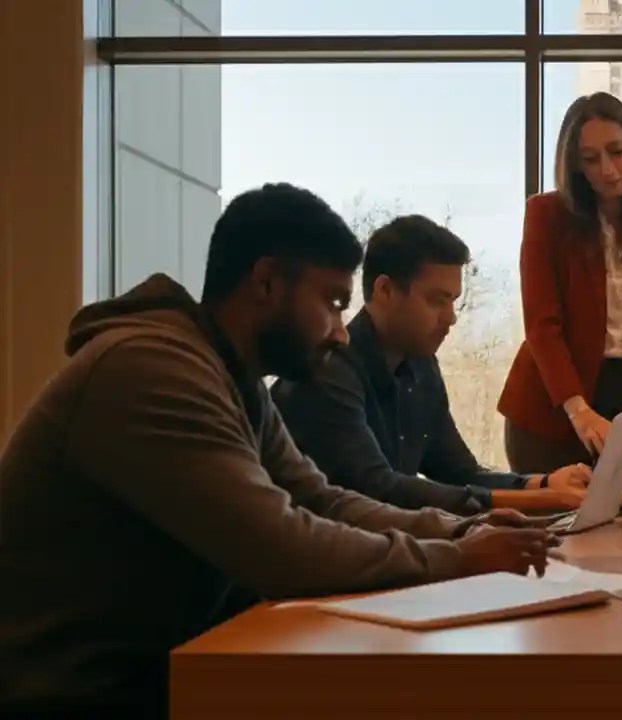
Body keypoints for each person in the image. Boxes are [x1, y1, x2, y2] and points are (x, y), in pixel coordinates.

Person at [0, 184, 555, 716]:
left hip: (163, 675)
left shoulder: (229, 379)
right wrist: (458, 559)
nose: (342, 332)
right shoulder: (150, 371)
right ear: (265, 283)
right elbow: (284, 547)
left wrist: (457, 530)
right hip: (72, 695)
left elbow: (322, 499)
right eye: (333, 302)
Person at [273, 214, 592, 515]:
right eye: (437, 300)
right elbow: (376, 489)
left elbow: (460, 472)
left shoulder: (421, 366)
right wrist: (537, 501)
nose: (451, 318)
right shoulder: (328, 369)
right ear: (385, 290)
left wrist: (543, 484)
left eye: (453, 301)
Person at [499, 92, 622, 490]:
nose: (607, 169)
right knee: (553, 540)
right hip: (553, 406)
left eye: (616, 151)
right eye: (589, 159)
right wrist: (579, 411)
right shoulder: (546, 216)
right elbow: (542, 326)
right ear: (574, 165)